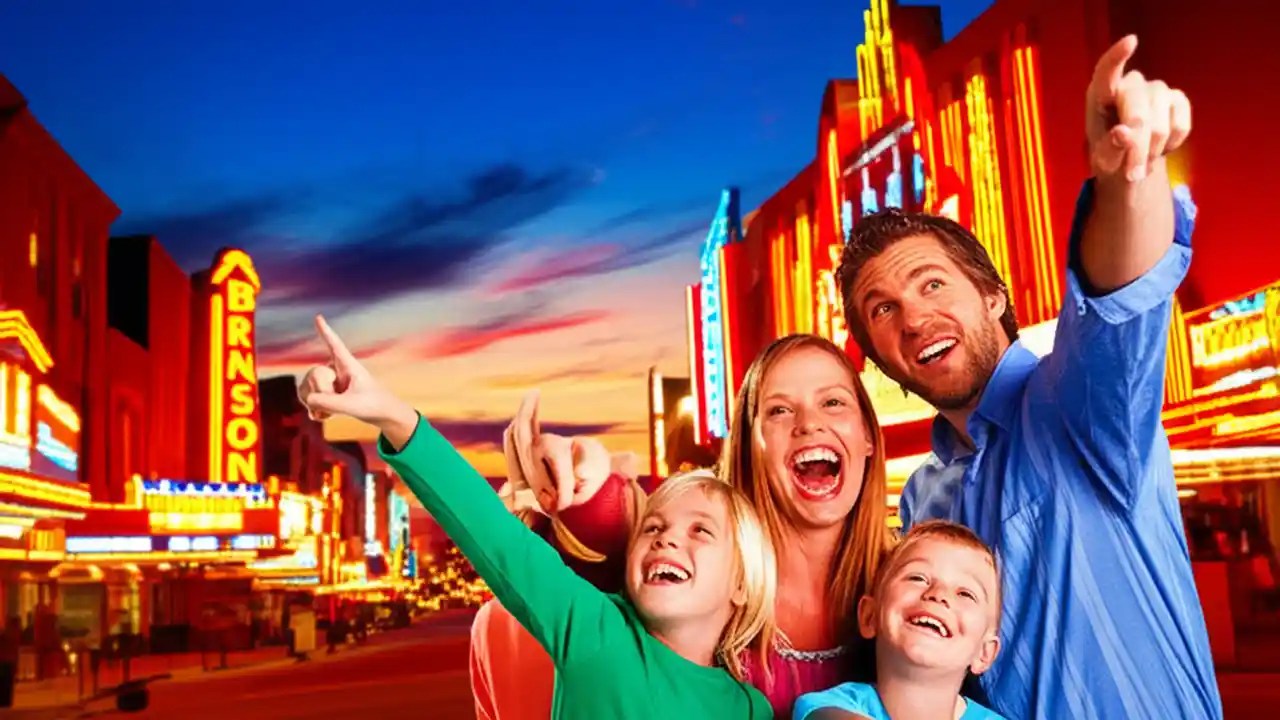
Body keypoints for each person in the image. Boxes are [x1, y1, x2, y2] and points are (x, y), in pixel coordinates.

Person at [835, 35, 1220, 719]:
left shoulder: (1071, 403)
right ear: (879, 359)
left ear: (994, 298)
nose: (915, 317)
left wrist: (1127, 179)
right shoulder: (922, 500)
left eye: (932, 284)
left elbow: (1116, 303)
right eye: (883, 310)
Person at [298, 316, 775, 719]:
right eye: (653, 527)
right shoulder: (596, 632)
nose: (667, 540)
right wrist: (393, 416)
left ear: (742, 582)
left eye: (700, 531)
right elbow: (496, 535)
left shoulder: (753, 708)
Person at [463, 334, 897, 719]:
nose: (809, 423)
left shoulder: (910, 579)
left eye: (834, 402)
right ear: (750, 449)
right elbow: (610, 525)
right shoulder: (698, 566)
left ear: (868, 438)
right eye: (779, 410)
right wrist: (579, 479)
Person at [793, 521, 1005, 720]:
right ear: (870, 616)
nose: (938, 594)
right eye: (918, 578)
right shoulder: (827, 708)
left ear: (984, 653)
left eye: (966, 593)